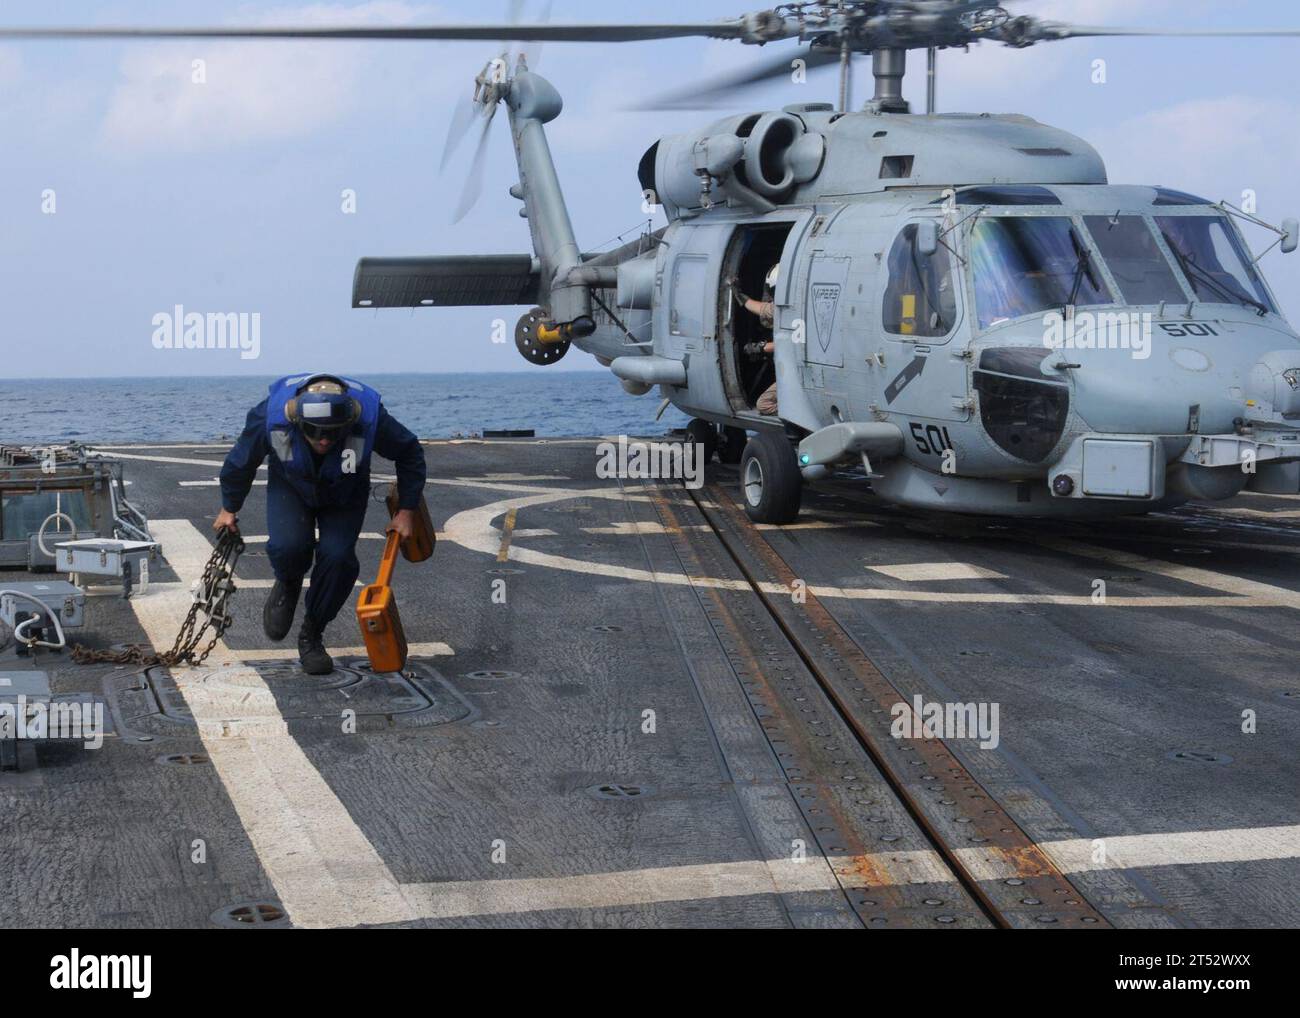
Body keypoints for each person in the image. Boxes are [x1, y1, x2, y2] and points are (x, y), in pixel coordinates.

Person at [215, 373, 427, 675]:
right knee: (288, 547)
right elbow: (242, 459)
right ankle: (288, 582)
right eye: (314, 432)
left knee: (338, 558)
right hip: (290, 486)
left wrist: (406, 510)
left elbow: (409, 452)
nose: (324, 440)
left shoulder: (370, 418)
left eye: (332, 432)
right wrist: (229, 507)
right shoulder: (270, 416)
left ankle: (312, 633)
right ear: (297, 421)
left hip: (345, 490)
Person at [733, 264, 780, 415]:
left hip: (801, 375)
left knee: (764, 404)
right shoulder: (782, 308)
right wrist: (740, 296)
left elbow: (790, 344)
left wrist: (761, 347)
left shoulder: (793, 312)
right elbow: (762, 309)